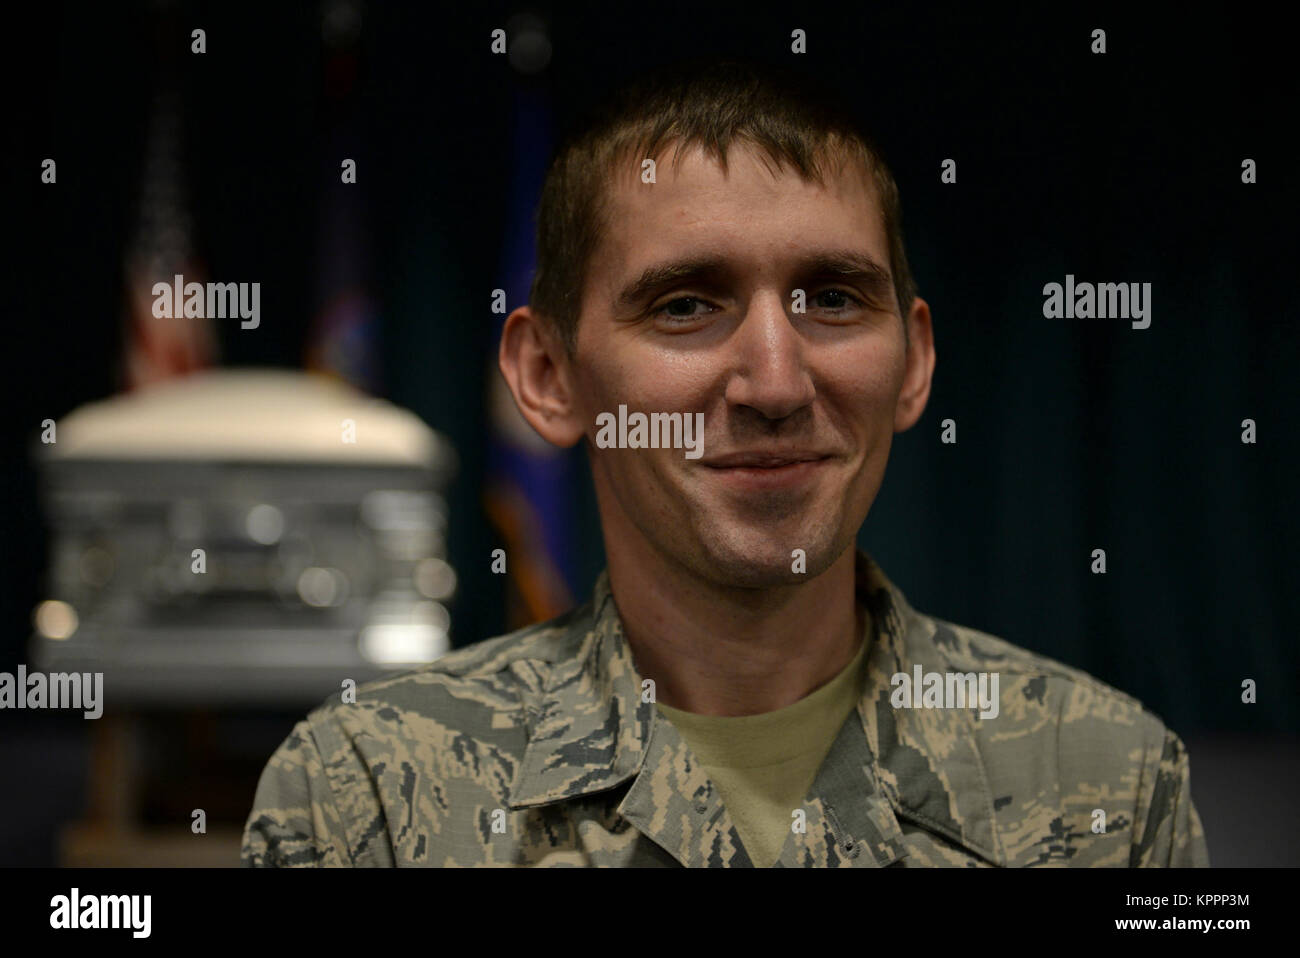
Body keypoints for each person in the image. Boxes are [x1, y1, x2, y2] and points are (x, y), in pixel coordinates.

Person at [242, 58, 1209, 867]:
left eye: (831, 299)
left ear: (913, 363)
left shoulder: (1110, 789)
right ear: (548, 375)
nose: (776, 385)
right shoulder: (359, 797)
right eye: (685, 306)